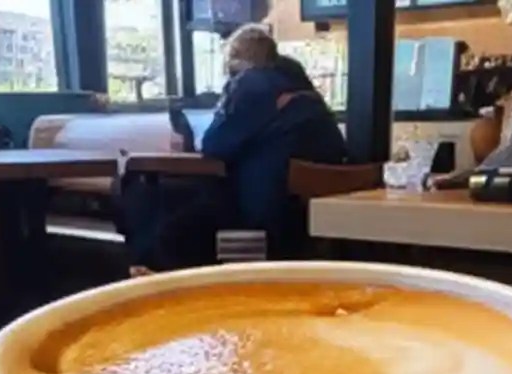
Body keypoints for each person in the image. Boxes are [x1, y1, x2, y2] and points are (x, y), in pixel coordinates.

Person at [122, 25, 346, 276]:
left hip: (265, 213)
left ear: (237, 62)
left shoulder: (251, 83)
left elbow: (214, 145)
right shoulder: (306, 91)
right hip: (309, 219)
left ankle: (158, 278)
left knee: (156, 199)